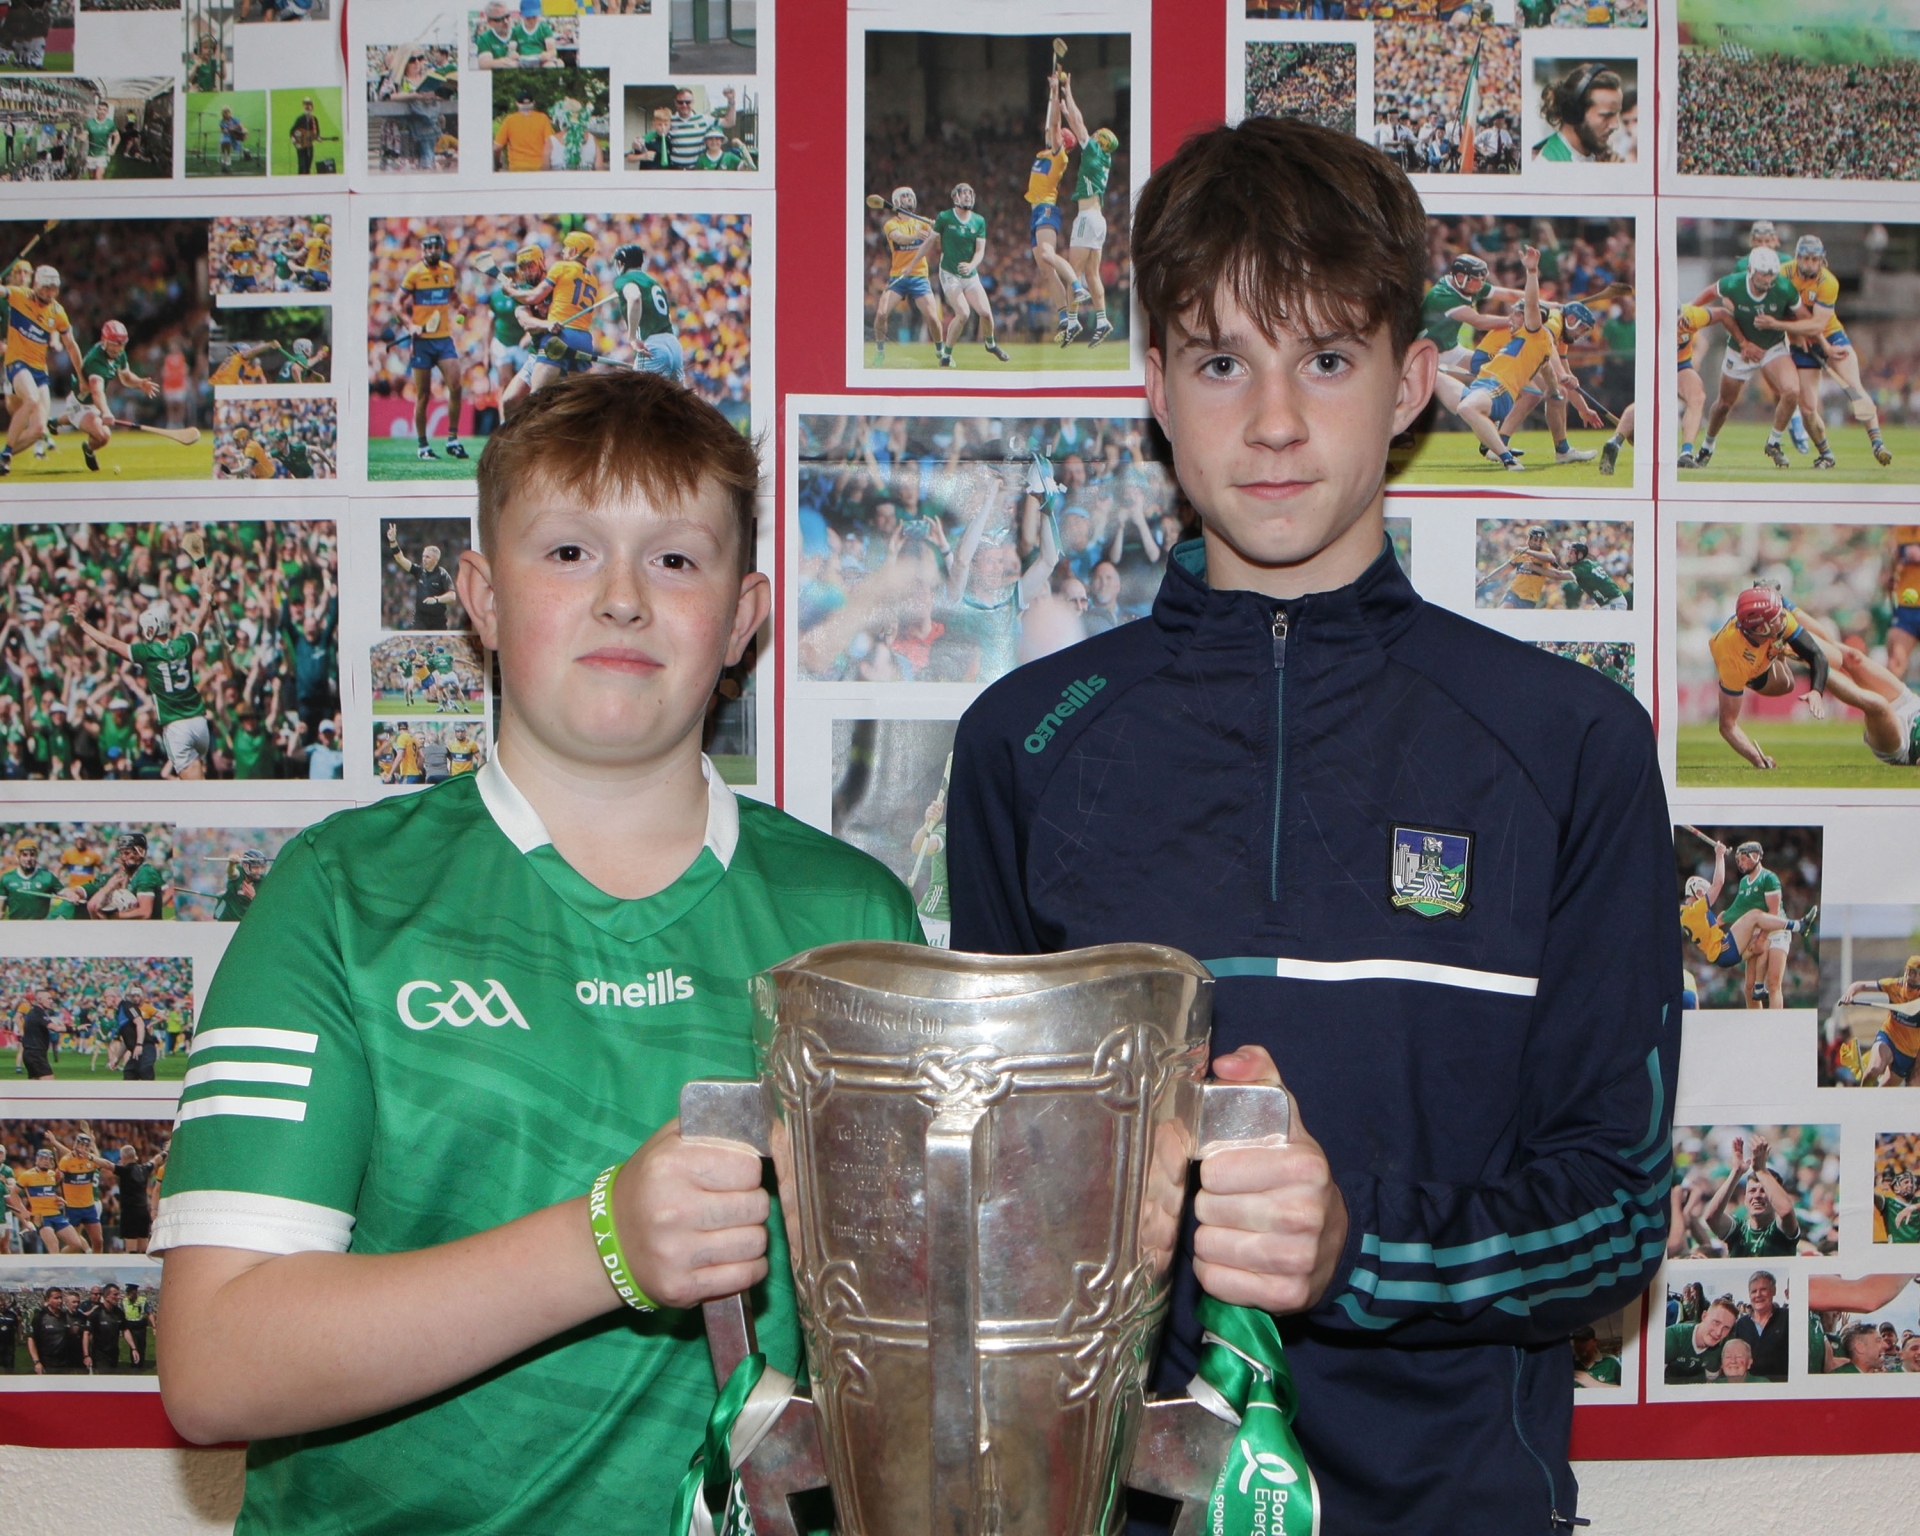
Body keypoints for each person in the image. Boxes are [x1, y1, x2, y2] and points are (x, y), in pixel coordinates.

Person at [946, 116, 1677, 1534]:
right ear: (1154, 385)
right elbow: (998, 1202)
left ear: (1410, 382)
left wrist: (1356, 1249)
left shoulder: (1568, 745)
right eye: (1222, 361)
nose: (1273, 421)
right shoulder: (1025, 744)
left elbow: (1617, 1215)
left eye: (1326, 360)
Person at [152, 371, 924, 1534]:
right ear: (481, 597)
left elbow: (922, 1345)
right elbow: (213, 1364)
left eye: (675, 559)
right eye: (567, 552)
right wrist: (604, 1242)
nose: (622, 599)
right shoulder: (342, 895)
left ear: (747, 615)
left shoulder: (855, 920)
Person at [1698, 1134, 1801, 1257]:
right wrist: (1736, 1172)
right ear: (1744, 1198)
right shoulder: (1739, 1230)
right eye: (1752, 1191)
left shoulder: (1781, 1230)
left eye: (1764, 1191)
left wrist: (1761, 1170)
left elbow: (1786, 1211)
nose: (1757, 1195)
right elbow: (1711, 1217)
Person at [1842, 957, 1920, 1088]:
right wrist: (1849, 994)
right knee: (1874, 1070)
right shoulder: (1893, 985)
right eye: (1912, 972)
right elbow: (1860, 985)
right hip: (1888, 1037)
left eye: (1919, 974)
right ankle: (1859, 1101)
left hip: (1908, 1051)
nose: (1915, 977)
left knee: (1884, 1090)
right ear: (1906, 971)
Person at [388, 525, 463, 630]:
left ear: (436, 559)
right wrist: (393, 541)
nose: (424, 559)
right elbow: (401, 559)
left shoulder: (443, 574)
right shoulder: (418, 571)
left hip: (438, 621)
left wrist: (436, 599)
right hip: (420, 620)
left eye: (427, 557)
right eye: (423, 556)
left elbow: (452, 596)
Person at [1731, 1269, 1790, 1380]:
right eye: (1754, 1291)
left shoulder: (1787, 1317)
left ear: (1774, 1291)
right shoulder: (1741, 1324)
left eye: (1763, 1289)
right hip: (1752, 1387)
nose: (1758, 1295)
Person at [1665, 1295, 1738, 1384]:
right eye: (1716, 1322)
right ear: (1704, 1316)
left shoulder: (1720, 1348)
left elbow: (1710, 1383)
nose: (1719, 1332)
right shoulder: (1673, 1336)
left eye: (1726, 1328)